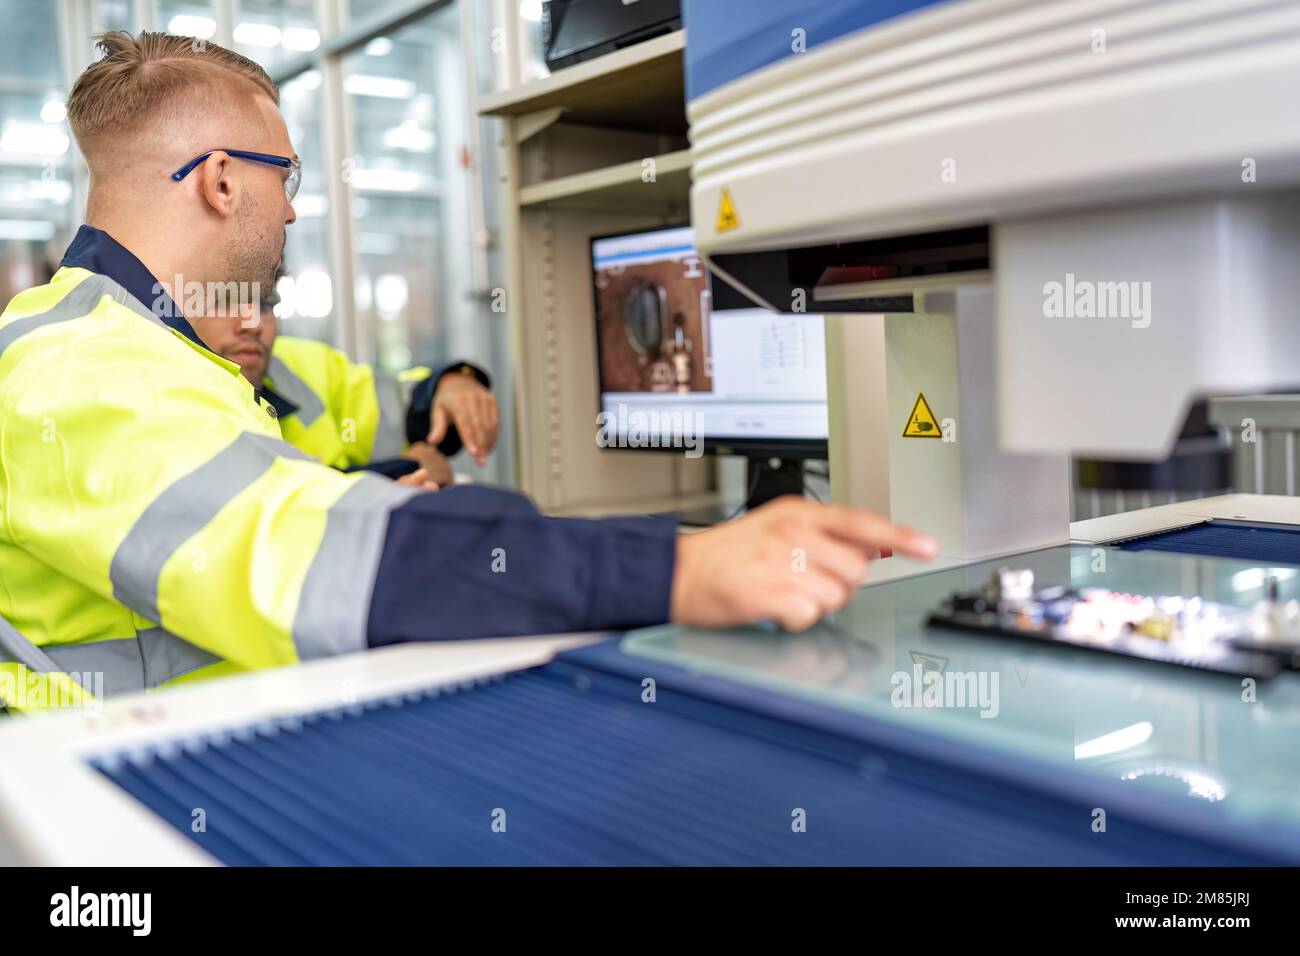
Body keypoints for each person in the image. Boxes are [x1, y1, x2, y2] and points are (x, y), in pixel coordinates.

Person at [0, 32, 936, 713]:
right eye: (285, 176)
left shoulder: (162, 343)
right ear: (220, 180)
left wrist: (435, 392)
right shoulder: (76, 372)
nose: (290, 213)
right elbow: (334, 561)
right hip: (115, 786)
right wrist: (682, 565)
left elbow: (340, 421)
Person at [195, 277, 498, 488]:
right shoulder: (167, 392)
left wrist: (449, 384)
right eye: (226, 302)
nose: (253, 324)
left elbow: (397, 408)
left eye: (265, 304)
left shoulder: (301, 365)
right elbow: (265, 510)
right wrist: (396, 475)